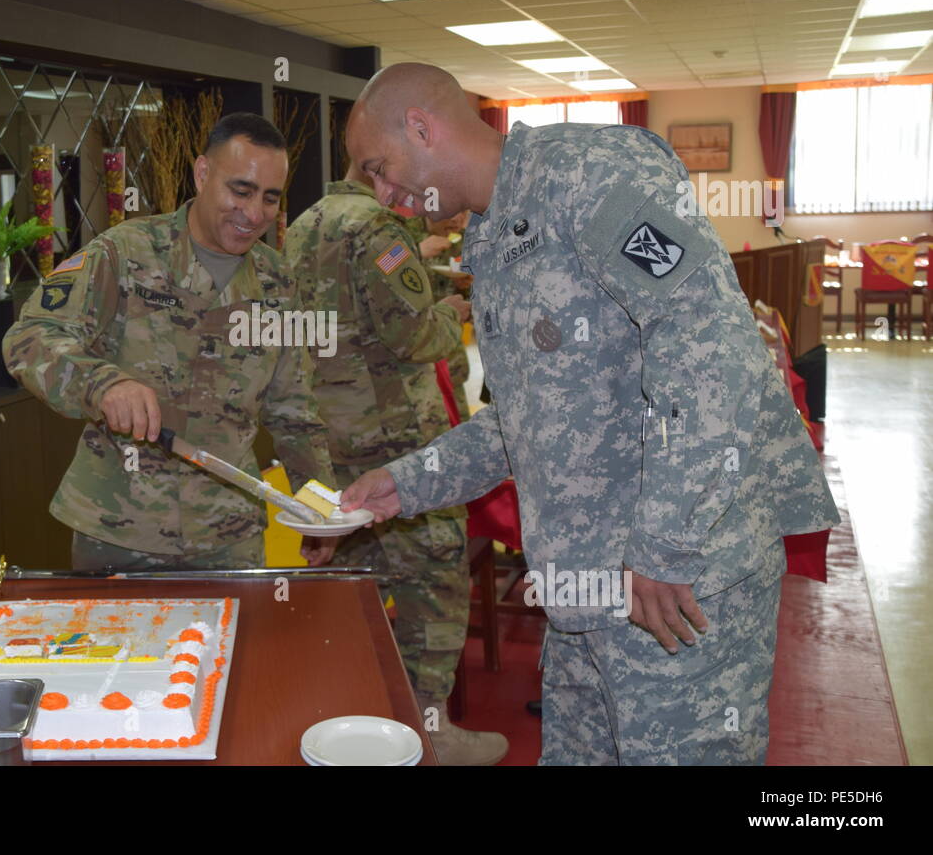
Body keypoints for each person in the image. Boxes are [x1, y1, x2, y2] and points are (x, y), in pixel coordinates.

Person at [341, 63, 840, 765]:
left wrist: (667, 546)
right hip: (587, 582)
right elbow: (535, 413)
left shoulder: (592, 174)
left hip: (675, 579)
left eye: (380, 168)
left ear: (421, 127)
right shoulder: (492, 234)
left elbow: (712, 349)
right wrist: (410, 481)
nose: (384, 194)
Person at [2, 112, 334, 571]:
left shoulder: (279, 283)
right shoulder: (123, 253)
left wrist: (317, 507)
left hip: (228, 536)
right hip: (119, 528)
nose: (254, 213)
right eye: (240, 191)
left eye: (270, 198)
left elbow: (295, 409)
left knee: (233, 645)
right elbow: (30, 337)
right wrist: (103, 384)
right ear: (202, 173)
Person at [283, 164, 507, 765]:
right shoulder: (380, 232)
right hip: (398, 444)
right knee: (432, 583)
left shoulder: (303, 224)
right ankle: (427, 731)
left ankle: (351, 721)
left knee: (353, 589)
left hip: (331, 437)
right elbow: (413, 336)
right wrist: (454, 311)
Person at [405, 209, 472, 417]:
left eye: (463, 212)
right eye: (451, 208)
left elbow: (465, 304)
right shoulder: (400, 232)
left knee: (458, 432)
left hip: (450, 357)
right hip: (412, 364)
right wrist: (416, 251)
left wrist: (465, 286)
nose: (456, 218)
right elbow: (378, 267)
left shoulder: (461, 241)